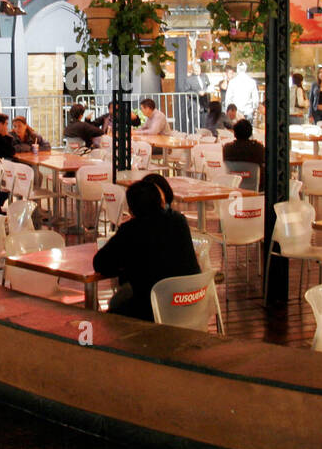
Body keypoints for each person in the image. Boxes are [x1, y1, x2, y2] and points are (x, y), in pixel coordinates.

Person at [94, 178, 200, 322]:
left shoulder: (131, 230)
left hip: (152, 309)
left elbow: (100, 263)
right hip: (191, 302)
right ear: (160, 202)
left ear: (131, 210)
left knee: (115, 305)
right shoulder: (179, 221)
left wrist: (125, 265)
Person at [222, 118, 265, 183]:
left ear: (234, 133)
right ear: (250, 132)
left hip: (233, 186)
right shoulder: (258, 148)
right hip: (256, 187)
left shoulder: (227, 148)